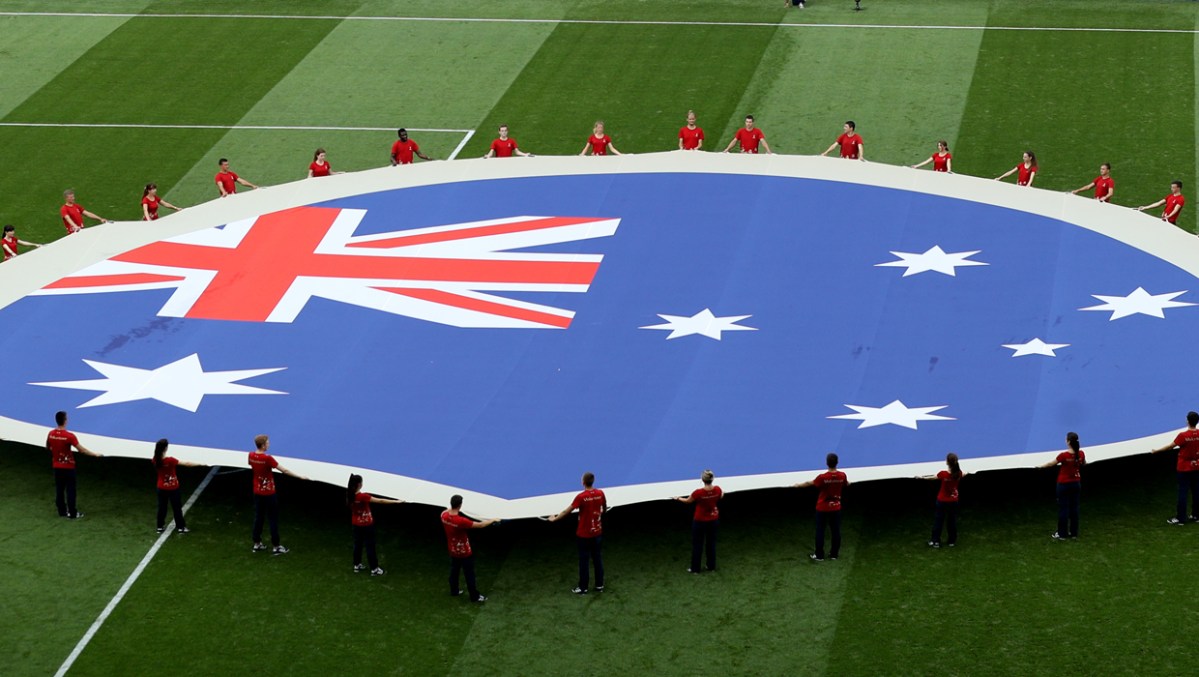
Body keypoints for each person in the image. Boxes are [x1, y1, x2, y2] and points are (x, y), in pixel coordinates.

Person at [549, 472, 608, 594]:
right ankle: (599, 585)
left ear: (583, 482)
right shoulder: (600, 493)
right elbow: (604, 507)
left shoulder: (581, 497)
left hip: (584, 535)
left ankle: (583, 587)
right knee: (597, 559)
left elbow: (567, 511)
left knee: (584, 561)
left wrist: (554, 518)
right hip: (597, 532)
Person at [248, 434, 307, 555]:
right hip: (269, 493)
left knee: (258, 517)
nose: (269, 444)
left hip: (257, 492)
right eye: (268, 443)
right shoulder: (268, 458)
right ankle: (276, 546)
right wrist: (299, 476)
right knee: (272, 519)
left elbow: (252, 466)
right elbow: (284, 470)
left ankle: (257, 543)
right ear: (263, 445)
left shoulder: (251, 455)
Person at [441, 494, 499, 602]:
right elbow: (480, 525)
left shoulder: (443, 516)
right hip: (464, 552)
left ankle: (454, 590)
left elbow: (447, 510)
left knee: (454, 570)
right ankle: (474, 596)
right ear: (460, 505)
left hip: (453, 550)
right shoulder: (461, 521)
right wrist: (493, 519)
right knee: (469, 574)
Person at [46, 410, 102, 519]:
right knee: (71, 490)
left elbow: (48, 447)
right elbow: (82, 450)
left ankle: (62, 511)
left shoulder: (51, 434)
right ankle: (72, 513)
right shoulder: (69, 436)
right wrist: (95, 454)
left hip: (57, 466)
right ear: (65, 421)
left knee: (59, 489)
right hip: (68, 467)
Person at [346, 474, 403, 576]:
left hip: (356, 524)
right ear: (359, 484)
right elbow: (380, 501)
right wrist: (396, 502)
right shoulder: (363, 496)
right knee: (370, 546)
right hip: (367, 525)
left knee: (357, 545)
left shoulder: (350, 495)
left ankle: (357, 564)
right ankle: (374, 569)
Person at [794, 453, 848, 561]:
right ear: (837, 462)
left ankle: (819, 555)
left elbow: (810, 483)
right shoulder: (842, 476)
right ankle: (834, 554)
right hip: (836, 508)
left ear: (827, 463)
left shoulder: (822, 477)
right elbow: (846, 484)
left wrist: (798, 485)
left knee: (820, 531)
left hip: (822, 508)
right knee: (836, 531)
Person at [1151, 411, 1199, 525]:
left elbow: (1170, 446)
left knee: (1183, 493)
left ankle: (1180, 518)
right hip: (1196, 466)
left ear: (1187, 421)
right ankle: (1196, 515)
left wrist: (1156, 451)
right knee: (1196, 492)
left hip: (1184, 468)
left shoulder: (1183, 436)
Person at [674, 469, 721, 573]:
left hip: (700, 522)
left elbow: (687, 501)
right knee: (711, 544)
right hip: (713, 520)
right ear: (712, 479)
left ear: (702, 479)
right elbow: (721, 495)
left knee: (697, 545)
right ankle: (711, 566)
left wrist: (678, 498)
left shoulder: (698, 493)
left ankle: (695, 569)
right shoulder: (718, 490)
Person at [1040, 432, 1085, 539]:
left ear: (1068, 441)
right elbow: (1083, 463)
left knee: (1063, 509)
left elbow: (1052, 463)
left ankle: (1062, 534)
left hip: (1064, 484)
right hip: (1076, 484)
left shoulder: (1064, 455)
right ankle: (1074, 533)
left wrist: (1041, 466)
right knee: (1074, 509)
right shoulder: (1081, 454)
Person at [152, 438, 199, 534]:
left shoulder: (155, 460)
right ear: (165, 448)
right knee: (177, 508)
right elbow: (187, 464)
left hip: (161, 487)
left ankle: (159, 526)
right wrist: (202, 463)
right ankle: (181, 527)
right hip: (173, 488)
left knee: (162, 508)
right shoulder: (170, 460)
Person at [920, 453, 965, 547]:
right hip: (953, 501)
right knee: (951, 521)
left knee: (938, 521)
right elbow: (963, 474)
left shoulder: (943, 474)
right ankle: (952, 541)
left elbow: (932, 478)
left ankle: (935, 541)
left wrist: (922, 477)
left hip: (942, 501)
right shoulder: (958, 474)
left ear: (948, 462)